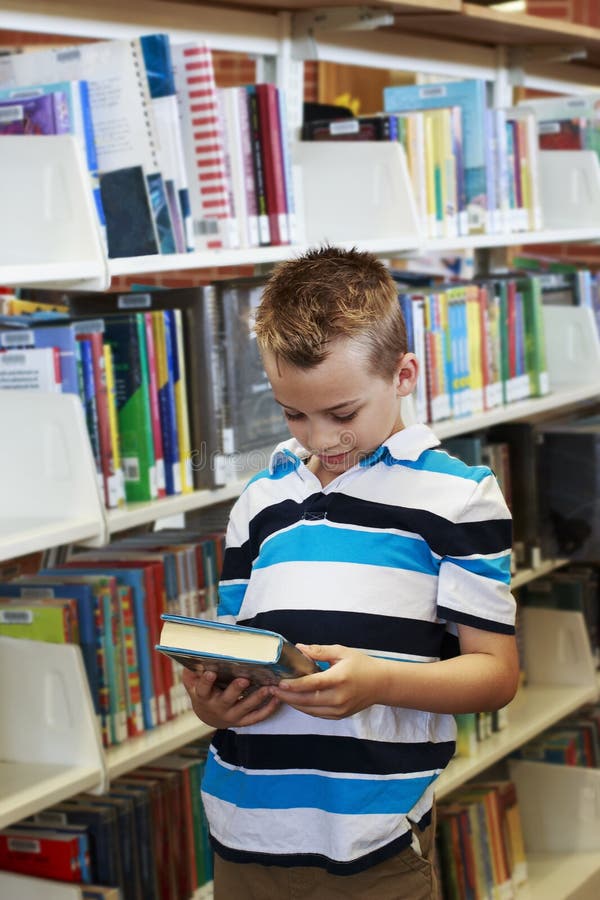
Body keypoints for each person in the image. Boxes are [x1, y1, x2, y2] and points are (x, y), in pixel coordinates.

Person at [182, 245, 520, 899]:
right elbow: (243, 655)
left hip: (374, 845)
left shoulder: (459, 499)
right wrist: (211, 702)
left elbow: (496, 675)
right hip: (242, 832)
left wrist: (380, 682)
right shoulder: (260, 502)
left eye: (342, 414)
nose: (320, 439)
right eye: (293, 413)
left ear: (403, 374)